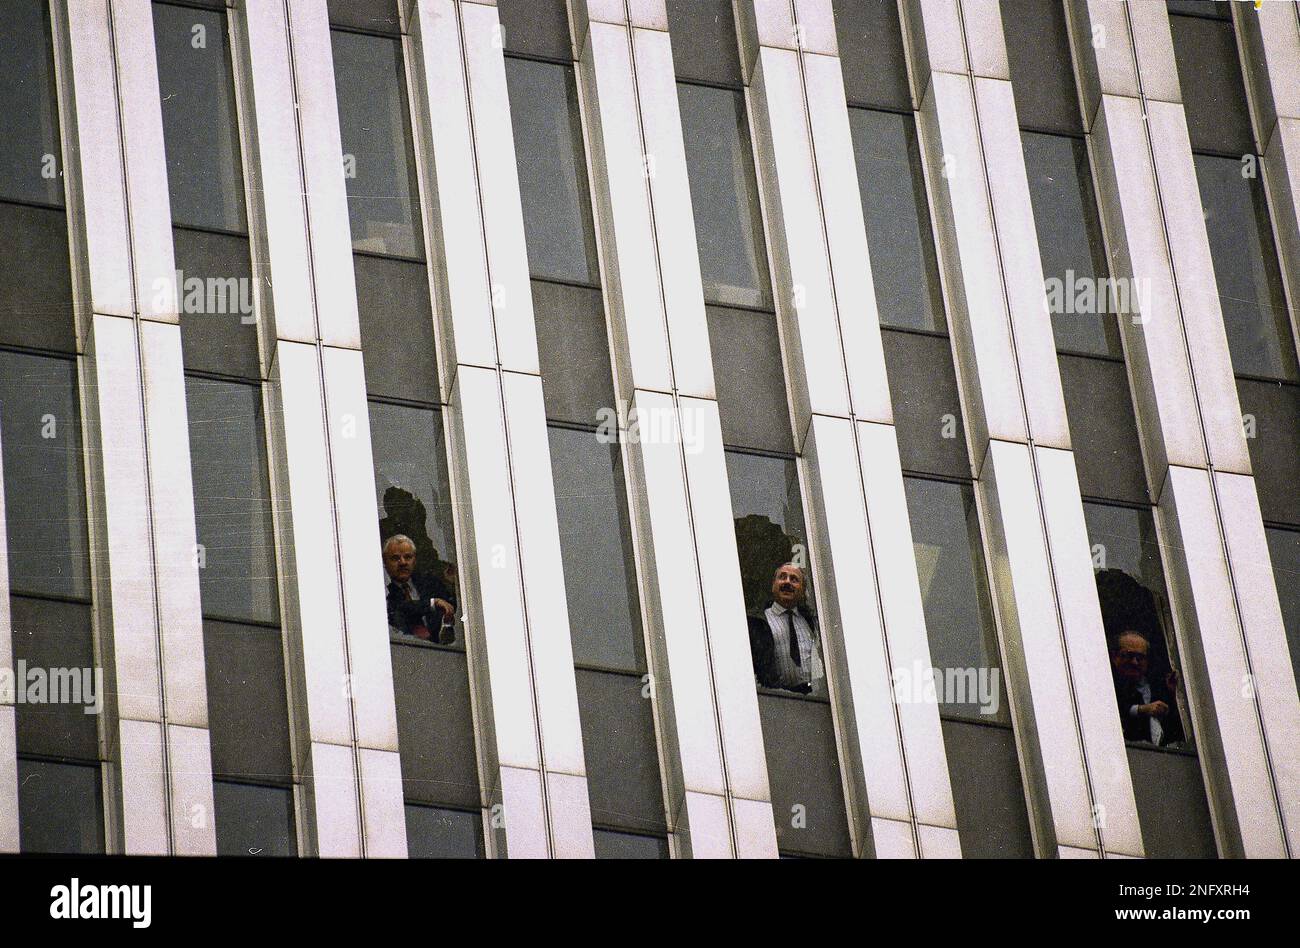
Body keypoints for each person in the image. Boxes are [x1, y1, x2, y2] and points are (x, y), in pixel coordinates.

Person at [746, 563, 825, 696]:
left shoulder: (812, 623)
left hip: (812, 700)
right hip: (777, 699)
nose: (787, 582)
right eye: (782, 577)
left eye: (794, 579)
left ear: (802, 590)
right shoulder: (758, 622)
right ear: (773, 585)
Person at [1110, 630, 1184, 746]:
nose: (1135, 662)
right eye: (1129, 656)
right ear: (1115, 657)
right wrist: (1141, 709)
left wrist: (1172, 694)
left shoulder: (1157, 685)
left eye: (1140, 657)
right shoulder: (1108, 684)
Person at [383, 534, 456, 643]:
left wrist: (452, 584)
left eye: (408, 557)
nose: (403, 562)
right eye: (395, 558)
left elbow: (451, 606)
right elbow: (400, 609)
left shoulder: (428, 584)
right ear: (385, 563)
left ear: (415, 560)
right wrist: (432, 603)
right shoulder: (385, 590)